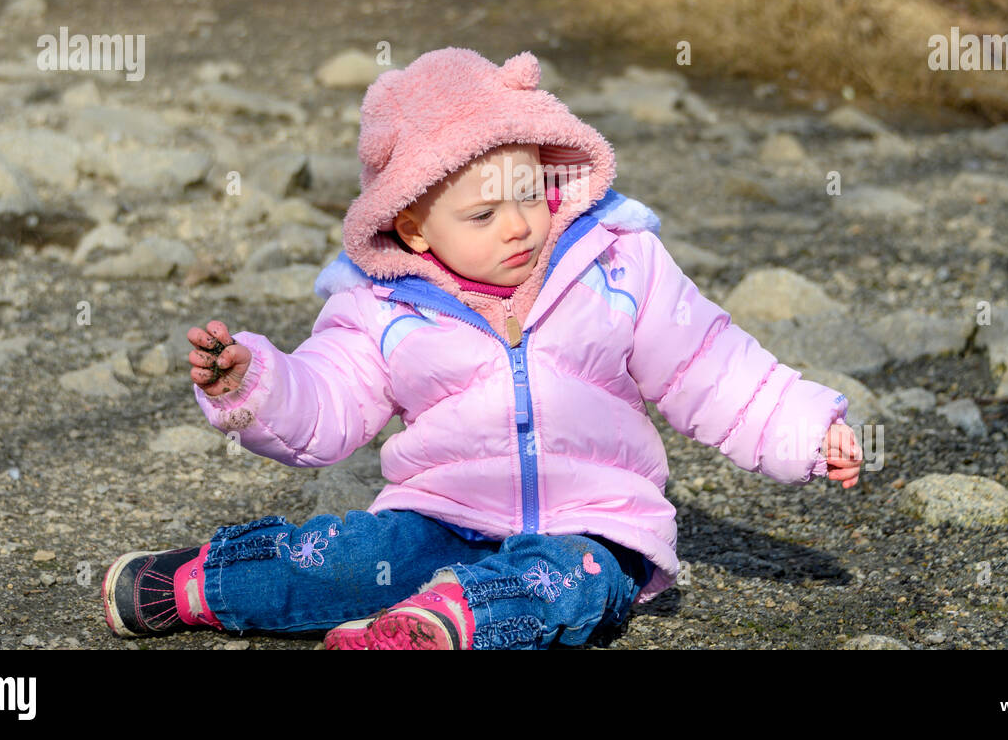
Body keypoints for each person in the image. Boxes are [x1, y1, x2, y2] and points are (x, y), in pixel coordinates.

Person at [101, 46, 863, 649]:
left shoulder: (614, 263)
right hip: (439, 515)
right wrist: (254, 386)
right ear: (413, 226)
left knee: (577, 583)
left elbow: (709, 362)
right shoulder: (383, 306)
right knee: (340, 556)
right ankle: (203, 585)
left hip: (593, 521)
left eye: (530, 194)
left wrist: (804, 426)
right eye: (484, 213)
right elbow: (329, 401)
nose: (518, 226)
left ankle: (442, 628)